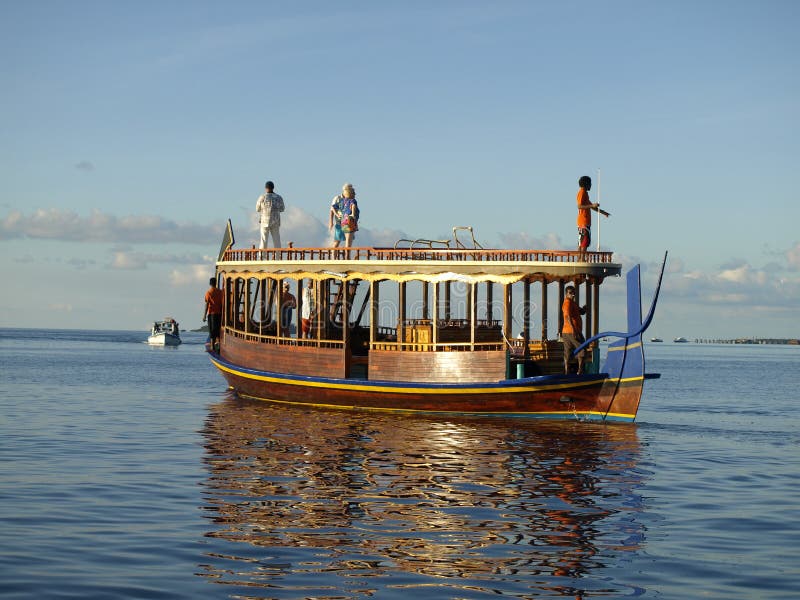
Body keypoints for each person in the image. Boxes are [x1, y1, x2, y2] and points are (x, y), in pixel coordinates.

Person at [561, 284, 587, 374]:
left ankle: (567, 371)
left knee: (568, 351)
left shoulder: (573, 303)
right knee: (582, 348)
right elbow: (567, 316)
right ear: (566, 294)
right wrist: (574, 330)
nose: (572, 295)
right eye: (570, 293)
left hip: (567, 331)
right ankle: (580, 370)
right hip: (572, 331)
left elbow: (581, 312)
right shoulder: (567, 303)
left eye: (574, 293)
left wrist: (584, 309)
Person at [576, 175, 601, 261]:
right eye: (590, 184)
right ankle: (581, 259)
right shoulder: (582, 192)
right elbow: (579, 206)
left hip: (584, 221)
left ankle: (580, 258)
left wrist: (603, 212)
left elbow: (591, 206)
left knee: (582, 241)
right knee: (584, 241)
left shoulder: (585, 193)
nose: (591, 186)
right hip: (583, 220)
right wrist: (592, 205)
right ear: (586, 184)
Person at [256, 180, 285, 249]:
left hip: (264, 221)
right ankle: (278, 257)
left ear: (266, 188)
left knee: (263, 240)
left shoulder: (262, 197)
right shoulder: (279, 197)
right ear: (273, 188)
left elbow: (257, 209)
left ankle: (262, 258)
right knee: (276, 240)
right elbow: (282, 209)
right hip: (275, 221)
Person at [329, 182, 360, 247]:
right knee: (345, 241)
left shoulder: (342, 201)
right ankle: (345, 256)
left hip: (344, 221)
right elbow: (353, 206)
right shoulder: (349, 200)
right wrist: (353, 214)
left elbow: (333, 207)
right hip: (347, 221)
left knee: (346, 241)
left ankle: (345, 255)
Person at [203, 277, 224, 352]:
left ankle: (212, 346)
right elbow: (222, 303)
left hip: (211, 313)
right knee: (218, 329)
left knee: (212, 330)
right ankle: (218, 345)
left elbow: (207, 304)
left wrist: (204, 315)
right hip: (219, 313)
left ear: (210, 283)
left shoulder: (209, 292)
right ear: (216, 283)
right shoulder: (220, 292)